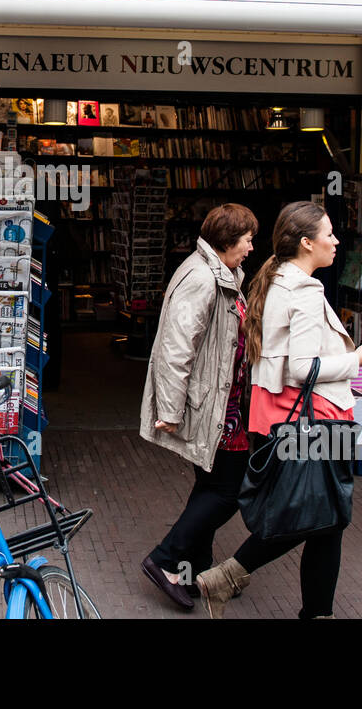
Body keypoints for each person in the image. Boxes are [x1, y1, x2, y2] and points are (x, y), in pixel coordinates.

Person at [196, 202, 362, 619]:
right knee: (324, 517)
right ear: (306, 242)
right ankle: (231, 576)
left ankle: (310, 609)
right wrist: (360, 360)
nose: (336, 241)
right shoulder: (305, 290)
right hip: (311, 422)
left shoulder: (273, 279)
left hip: (275, 417)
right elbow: (302, 369)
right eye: (329, 234)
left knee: (321, 518)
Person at [139, 203, 258, 611]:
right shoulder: (202, 278)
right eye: (247, 240)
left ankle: (194, 572)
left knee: (211, 487)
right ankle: (165, 559)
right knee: (230, 490)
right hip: (213, 409)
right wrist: (170, 410)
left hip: (224, 405)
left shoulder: (223, 275)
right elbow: (176, 346)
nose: (251, 248)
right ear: (227, 241)